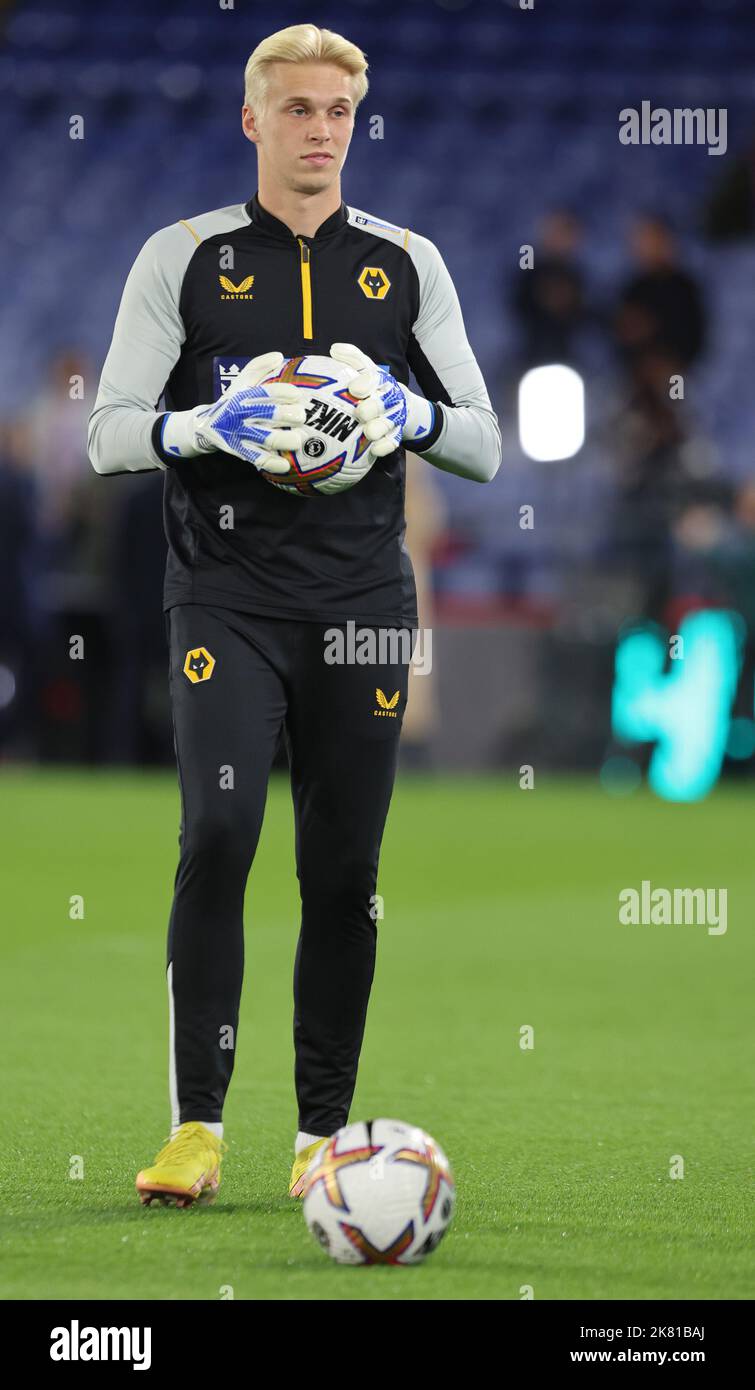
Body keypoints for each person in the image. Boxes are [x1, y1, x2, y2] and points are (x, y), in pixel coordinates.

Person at [88, 22, 500, 1208]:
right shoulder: (185, 257)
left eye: (338, 112)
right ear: (252, 120)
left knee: (344, 868)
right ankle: (195, 1128)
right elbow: (109, 430)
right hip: (224, 596)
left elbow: (481, 442)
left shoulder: (406, 263)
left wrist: (408, 415)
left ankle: (322, 1134)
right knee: (219, 835)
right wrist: (199, 428)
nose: (320, 131)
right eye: (298, 109)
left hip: (362, 603)